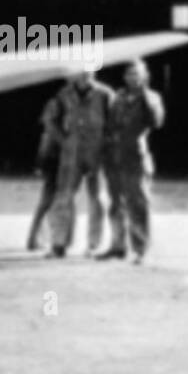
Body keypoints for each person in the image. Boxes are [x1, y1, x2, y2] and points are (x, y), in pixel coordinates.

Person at [99, 59, 165, 264]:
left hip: (135, 156)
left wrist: (145, 96)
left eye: (137, 74)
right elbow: (109, 124)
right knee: (115, 203)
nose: (132, 78)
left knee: (138, 203)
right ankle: (117, 246)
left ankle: (140, 249)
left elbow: (156, 122)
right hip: (114, 156)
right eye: (129, 74)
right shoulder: (118, 97)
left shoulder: (151, 97)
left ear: (145, 76)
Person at [46, 68, 114, 258]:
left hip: (97, 153)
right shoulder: (64, 95)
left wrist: (106, 144)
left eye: (89, 70)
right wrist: (63, 140)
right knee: (64, 197)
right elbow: (50, 120)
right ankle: (59, 243)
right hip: (72, 155)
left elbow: (115, 122)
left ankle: (94, 244)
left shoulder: (105, 94)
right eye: (81, 70)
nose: (85, 74)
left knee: (98, 199)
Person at [26, 96, 63, 251]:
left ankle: (37, 238)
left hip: (55, 157)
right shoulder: (60, 102)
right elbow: (48, 133)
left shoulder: (60, 101)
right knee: (49, 201)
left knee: (49, 201)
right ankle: (36, 239)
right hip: (55, 158)